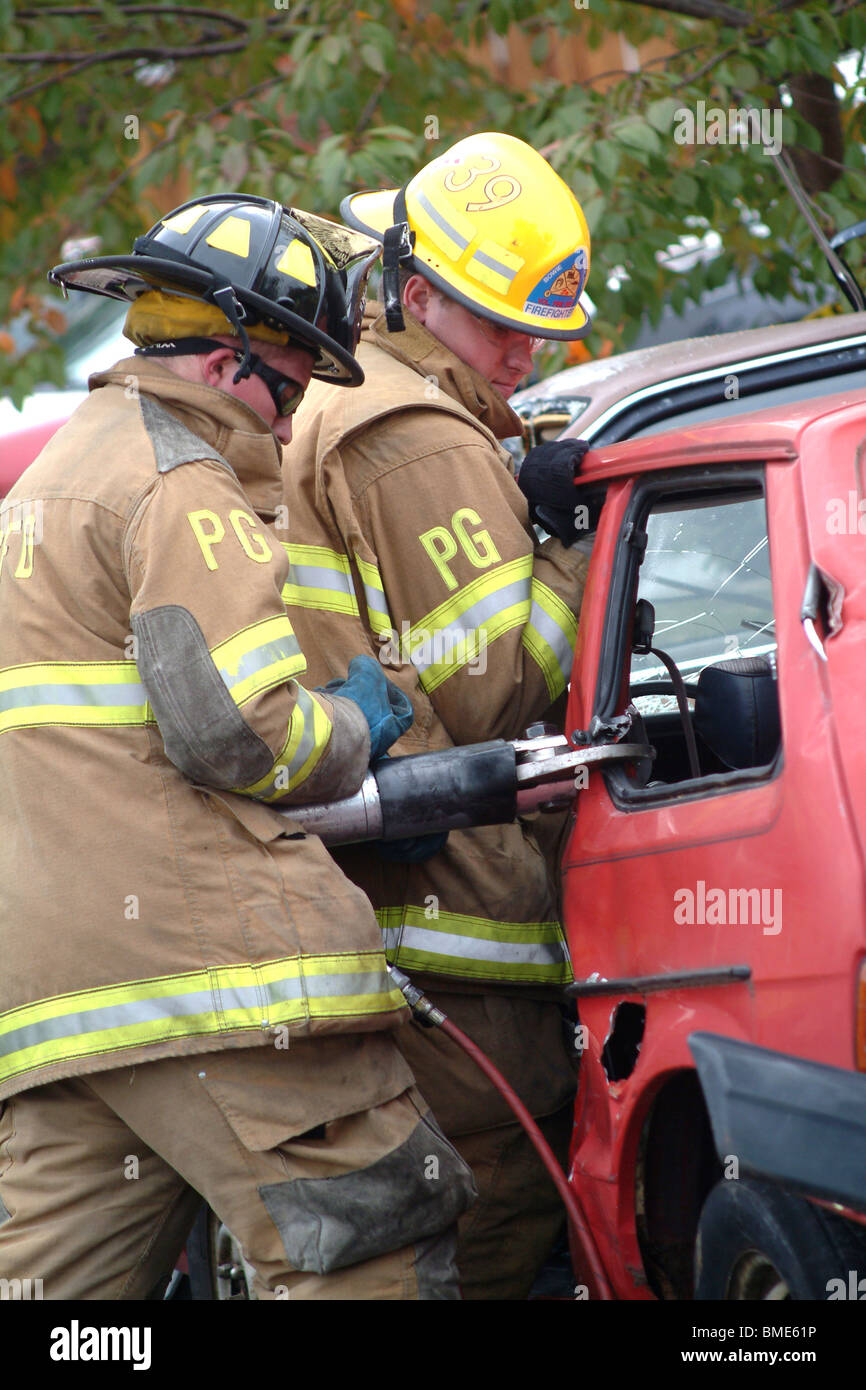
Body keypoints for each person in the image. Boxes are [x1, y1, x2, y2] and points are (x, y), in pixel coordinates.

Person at [0, 194, 475, 1301]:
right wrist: (358, 721)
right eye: (291, 387)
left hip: (57, 1012)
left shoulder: (44, 485)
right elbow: (236, 731)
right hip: (220, 989)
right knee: (377, 1259)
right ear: (223, 361)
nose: (288, 421)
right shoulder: (178, 483)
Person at [280, 134, 594, 1299]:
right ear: (416, 298)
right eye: (499, 322)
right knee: (501, 1215)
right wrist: (565, 547)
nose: (525, 352)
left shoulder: (353, 397)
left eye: (536, 328)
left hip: (395, 910)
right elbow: (491, 690)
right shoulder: (415, 439)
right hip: (463, 920)